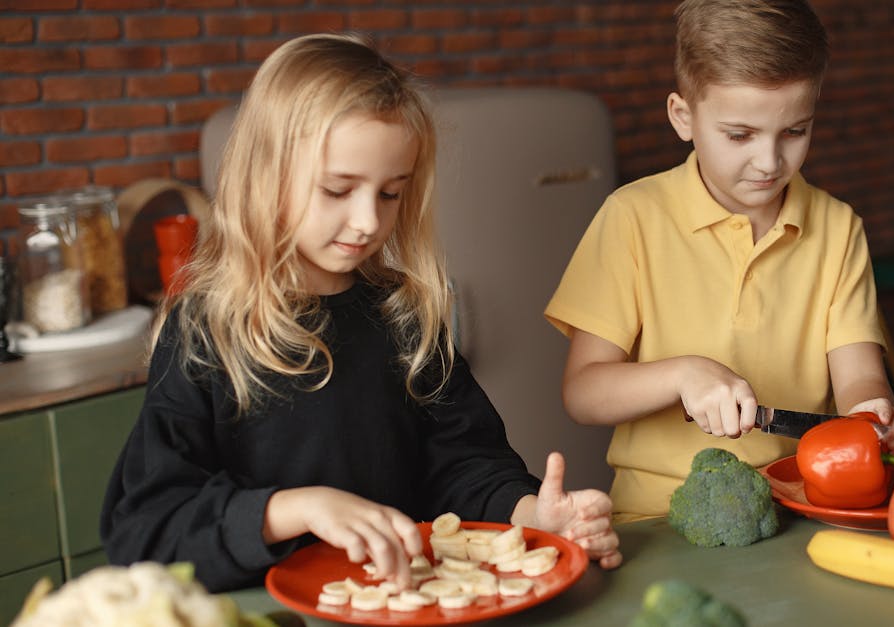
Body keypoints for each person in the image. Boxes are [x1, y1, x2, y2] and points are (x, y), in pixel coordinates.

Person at [101, 32, 621, 593]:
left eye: (390, 193)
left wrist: (531, 517)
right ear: (266, 176)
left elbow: (465, 467)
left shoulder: (404, 318)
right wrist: (298, 509)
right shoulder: (205, 332)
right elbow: (146, 530)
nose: (368, 220)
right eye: (337, 189)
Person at [544, 0, 894, 523]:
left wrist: (871, 412)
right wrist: (682, 374)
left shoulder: (838, 228)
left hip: (796, 506)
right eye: (740, 135)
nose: (769, 162)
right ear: (683, 117)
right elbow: (583, 393)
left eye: (794, 131)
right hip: (655, 519)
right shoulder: (632, 217)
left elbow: (858, 378)